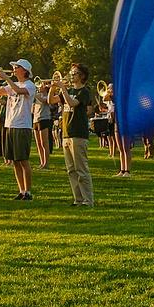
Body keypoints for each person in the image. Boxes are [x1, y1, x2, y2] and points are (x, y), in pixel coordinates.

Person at [50, 63, 95, 207]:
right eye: (71, 73)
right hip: (66, 133)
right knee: (71, 170)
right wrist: (52, 88)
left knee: (81, 169)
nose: (71, 75)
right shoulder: (68, 90)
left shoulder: (84, 92)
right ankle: (78, 199)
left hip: (78, 134)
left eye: (74, 73)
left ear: (82, 76)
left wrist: (62, 88)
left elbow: (72, 102)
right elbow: (51, 101)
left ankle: (88, 200)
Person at [0, 60, 36, 199]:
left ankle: (28, 191)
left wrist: (5, 78)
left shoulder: (30, 85)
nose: (13, 69)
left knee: (23, 160)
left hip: (22, 126)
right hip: (10, 124)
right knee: (15, 161)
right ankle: (21, 190)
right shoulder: (14, 84)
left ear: (24, 70)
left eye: (16, 67)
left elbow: (18, 91)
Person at [33, 81, 53, 170]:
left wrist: (34, 93)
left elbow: (44, 100)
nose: (39, 85)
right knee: (38, 143)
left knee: (44, 142)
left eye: (41, 84)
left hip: (44, 118)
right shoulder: (37, 94)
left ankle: (46, 163)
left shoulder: (48, 96)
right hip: (35, 119)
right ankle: (42, 162)